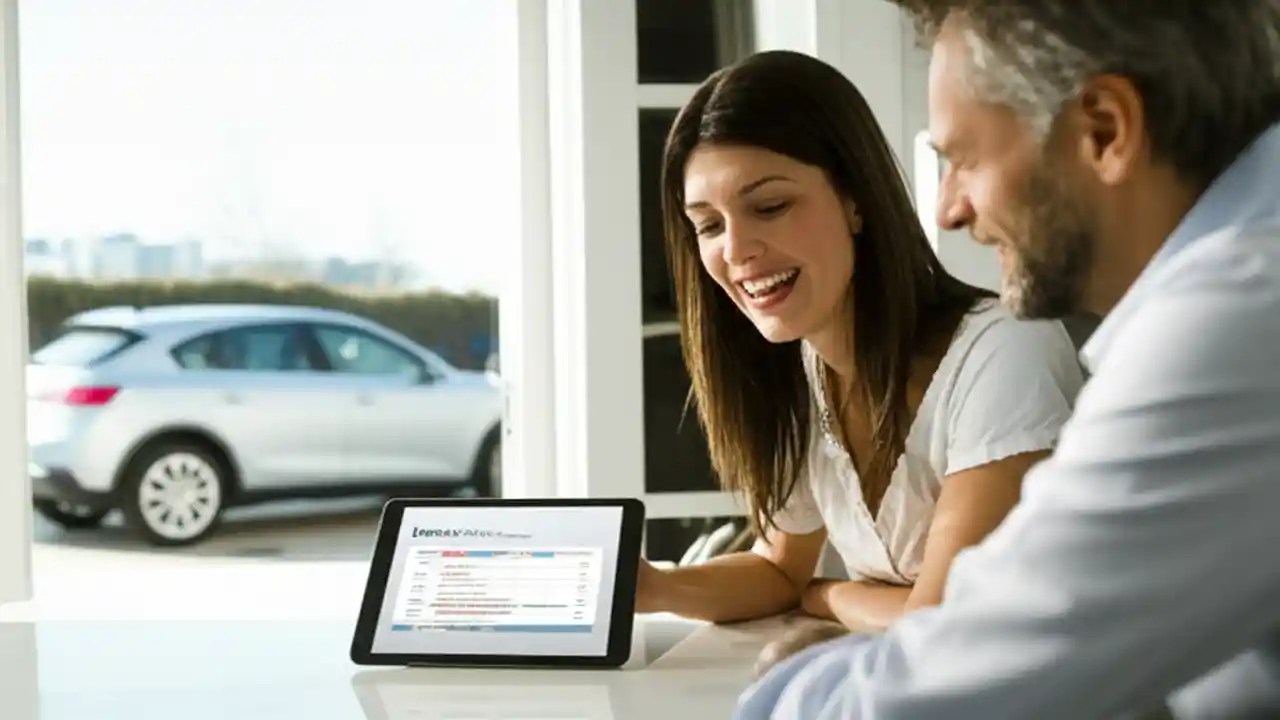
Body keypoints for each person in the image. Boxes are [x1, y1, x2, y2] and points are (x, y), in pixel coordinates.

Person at [736, 2, 1280, 718]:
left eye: (962, 160)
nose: (947, 210)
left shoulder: (1236, 317)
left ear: (1105, 130)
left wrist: (790, 694)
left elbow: (967, 685)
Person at [635, 50, 1084, 634]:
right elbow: (777, 571)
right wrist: (653, 587)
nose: (737, 249)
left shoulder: (1004, 353)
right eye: (710, 225)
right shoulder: (803, 366)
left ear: (855, 200)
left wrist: (829, 596)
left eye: (770, 206)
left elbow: (942, 622)